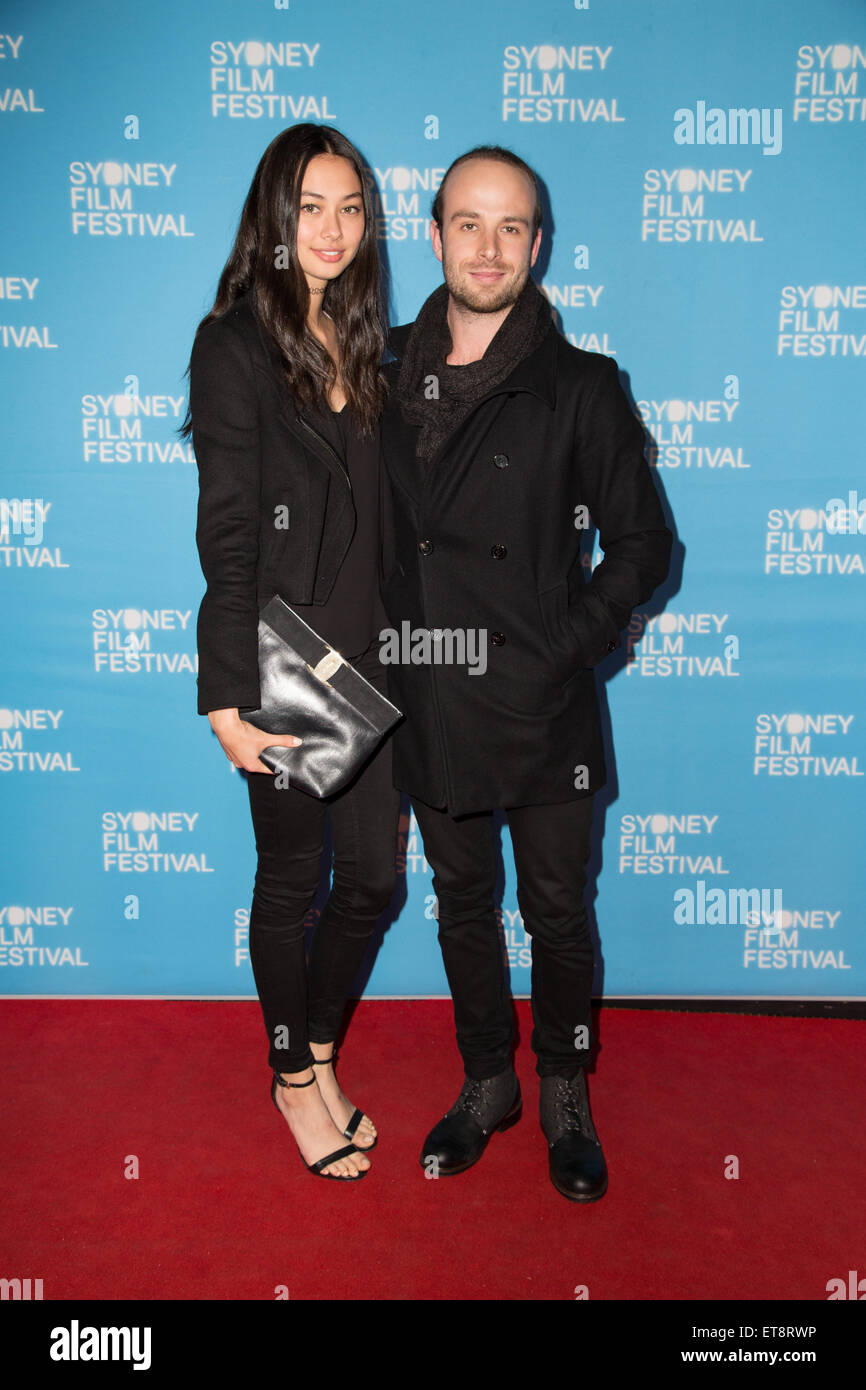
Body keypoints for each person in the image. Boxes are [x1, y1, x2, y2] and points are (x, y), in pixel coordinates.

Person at [379, 146, 673, 1201]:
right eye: (469, 223)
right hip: (428, 692)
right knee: (462, 905)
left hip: (543, 705)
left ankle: (561, 1088)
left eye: (512, 227)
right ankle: (485, 1082)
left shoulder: (582, 386)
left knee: (557, 911)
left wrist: (565, 643)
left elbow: (645, 548)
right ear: (435, 234)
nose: (490, 247)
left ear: (537, 244)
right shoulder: (379, 372)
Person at [179, 124, 400, 1182]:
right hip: (285, 658)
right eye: (310, 205)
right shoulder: (233, 346)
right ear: (274, 216)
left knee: (372, 880)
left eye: (350, 206)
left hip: (372, 665)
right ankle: (289, 1076)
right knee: (293, 875)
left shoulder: (375, 347)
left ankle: (316, 1051)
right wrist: (226, 697)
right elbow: (226, 533)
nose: (332, 228)